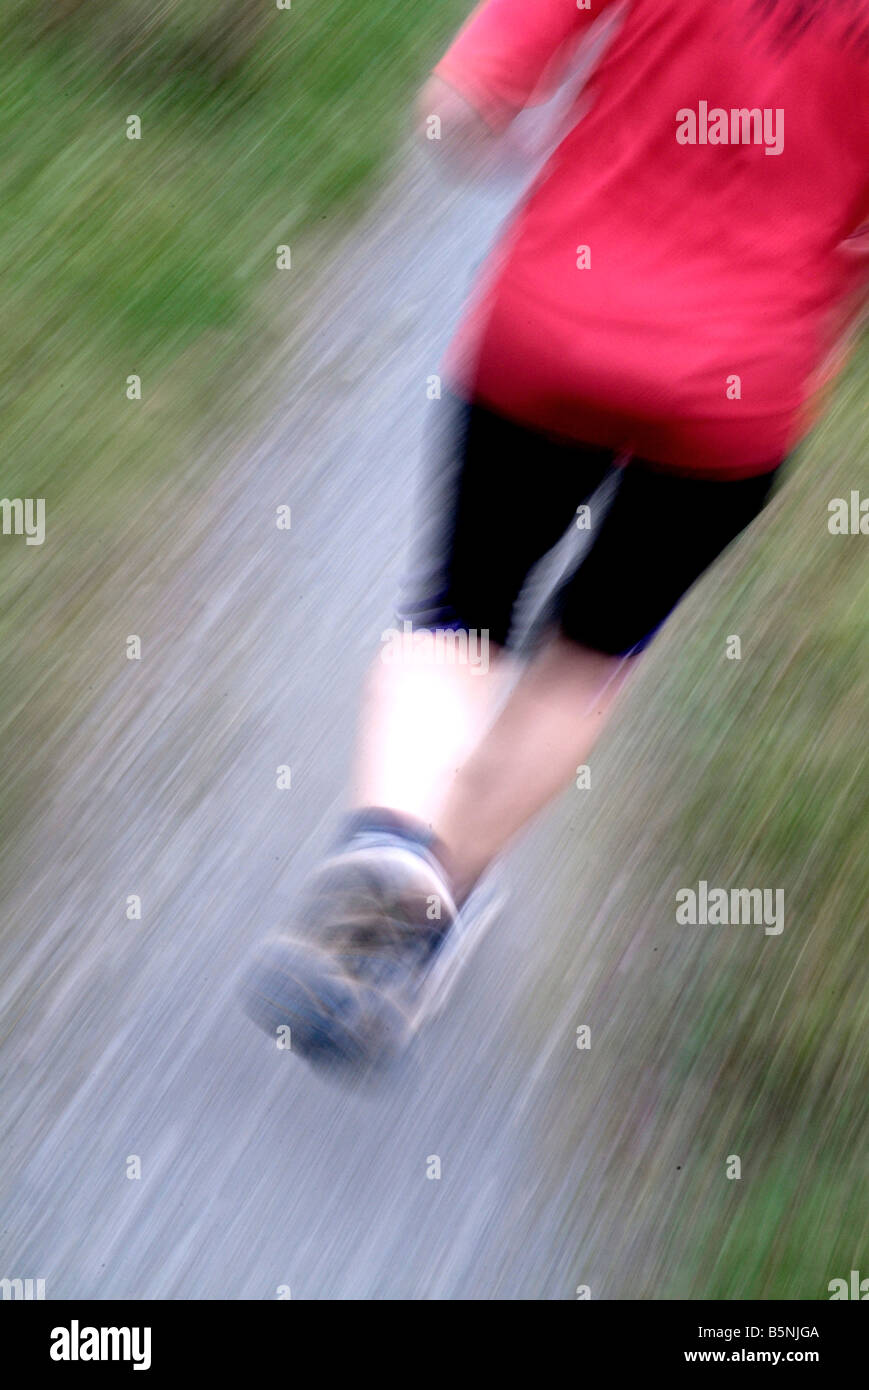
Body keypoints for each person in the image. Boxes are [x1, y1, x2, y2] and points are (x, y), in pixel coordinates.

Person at [240, 0, 869, 1069]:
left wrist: (495, 143)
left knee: (457, 610)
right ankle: (414, 932)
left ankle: (387, 850)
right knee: (583, 661)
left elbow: (460, 107)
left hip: (550, 327)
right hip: (735, 394)